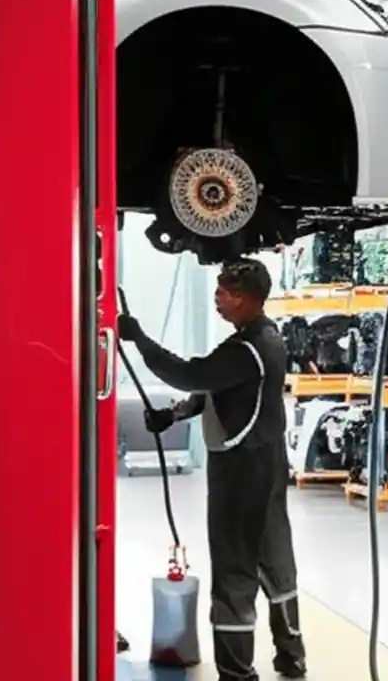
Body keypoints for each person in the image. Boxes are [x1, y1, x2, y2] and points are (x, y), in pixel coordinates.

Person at [118, 258, 306, 681]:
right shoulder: (265, 339)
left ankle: (237, 673)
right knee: (276, 563)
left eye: (224, 292)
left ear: (244, 299)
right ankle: (291, 657)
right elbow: (214, 390)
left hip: (241, 476)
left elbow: (189, 374)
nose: (218, 299)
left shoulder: (246, 350)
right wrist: (173, 415)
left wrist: (139, 339)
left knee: (235, 572)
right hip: (267, 469)